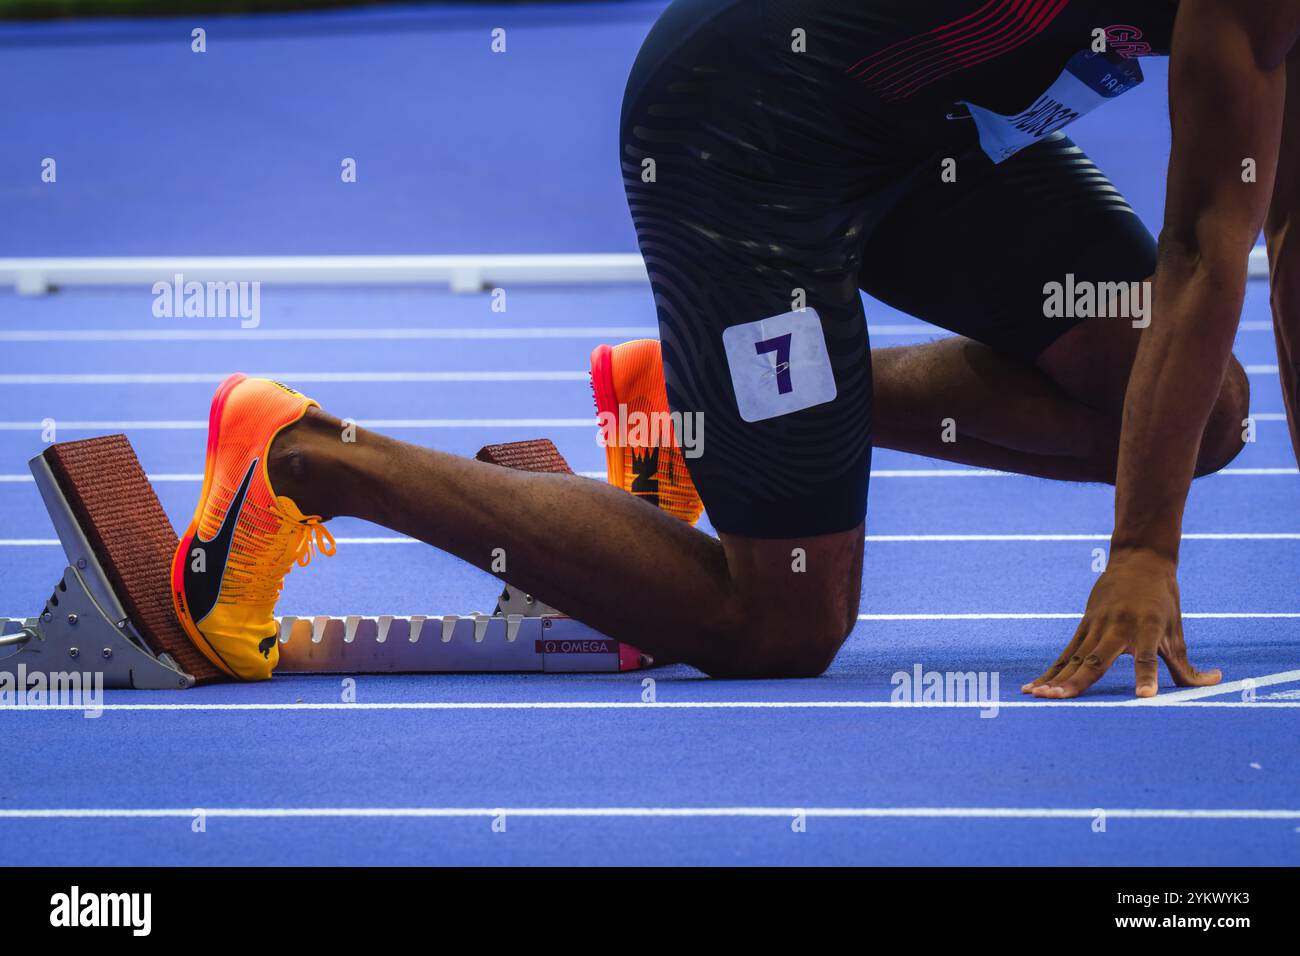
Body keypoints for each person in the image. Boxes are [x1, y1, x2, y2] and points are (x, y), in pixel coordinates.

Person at [171, 0, 1300, 697]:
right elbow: (1206, 249)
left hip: (941, 132)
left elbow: (1284, 230)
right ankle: (307, 454)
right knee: (781, 621)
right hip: (748, 126)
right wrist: (1144, 551)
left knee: (1195, 415)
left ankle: (687, 398)